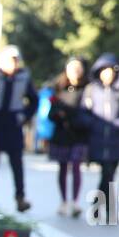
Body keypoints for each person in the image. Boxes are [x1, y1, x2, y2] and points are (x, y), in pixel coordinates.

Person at [0, 45, 38, 212]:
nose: (13, 63)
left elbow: (34, 100)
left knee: (16, 163)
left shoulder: (24, 78)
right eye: (10, 60)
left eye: (15, 60)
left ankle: (20, 198)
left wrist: (23, 116)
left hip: (13, 123)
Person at [83, 52, 119, 224]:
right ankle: (107, 209)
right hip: (98, 138)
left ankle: (99, 206)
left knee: (109, 173)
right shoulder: (91, 90)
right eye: (103, 71)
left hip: (115, 138)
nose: (107, 74)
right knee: (107, 173)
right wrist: (94, 124)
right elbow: (83, 112)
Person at [46, 57, 91, 217]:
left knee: (76, 165)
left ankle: (75, 202)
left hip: (79, 134)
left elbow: (87, 112)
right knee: (63, 166)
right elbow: (51, 114)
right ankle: (64, 201)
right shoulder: (59, 88)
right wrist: (60, 113)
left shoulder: (87, 88)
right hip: (62, 134)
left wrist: (71, 114)